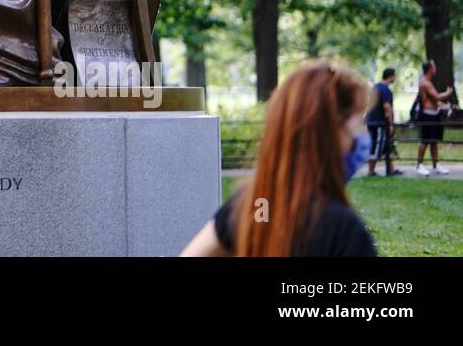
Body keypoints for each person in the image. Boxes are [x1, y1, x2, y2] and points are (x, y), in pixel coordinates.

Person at [181, 60, 376, 257]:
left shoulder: (250, 205)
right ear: (331, 132)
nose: (363, 133)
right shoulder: (343, 231)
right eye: (359, 121)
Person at [415, 59, 454, 176]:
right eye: (434, 66)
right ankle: (419, 165)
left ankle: (435, 165)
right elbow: (436, 96)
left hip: (434, 114)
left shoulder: (428, 82)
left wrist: (442, 106)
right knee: (425, 141)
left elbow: (432, 100)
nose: (435, 68)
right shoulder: (424, 82)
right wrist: (448, 92)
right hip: (427, 115)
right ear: (430, 69)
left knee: (434, 141)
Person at [366, 67, 400, 176]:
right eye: (394, 76)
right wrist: (391, 124)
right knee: (377, 145)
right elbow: (387, 108)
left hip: (370, 121)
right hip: (379, 122)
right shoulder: (386, 90)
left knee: (386, 145)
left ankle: (391, 169)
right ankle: (371, 171)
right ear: (390, 77)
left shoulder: (375, 87)